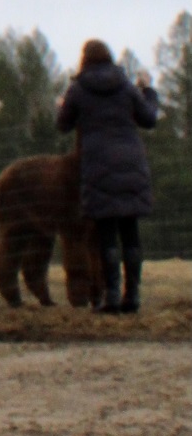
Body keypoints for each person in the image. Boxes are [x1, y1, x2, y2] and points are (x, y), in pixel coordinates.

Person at [56, 40, 159, 314]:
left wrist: (63, 104)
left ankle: (112, 296)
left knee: (107, 235)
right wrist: (148, 89)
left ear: (85, 60)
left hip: (98, 165)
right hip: (130, 162)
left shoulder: (78, 89)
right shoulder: (127, 86)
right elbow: (149, 119)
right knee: (131, 233)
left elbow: (62, 125)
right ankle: (133, 296)